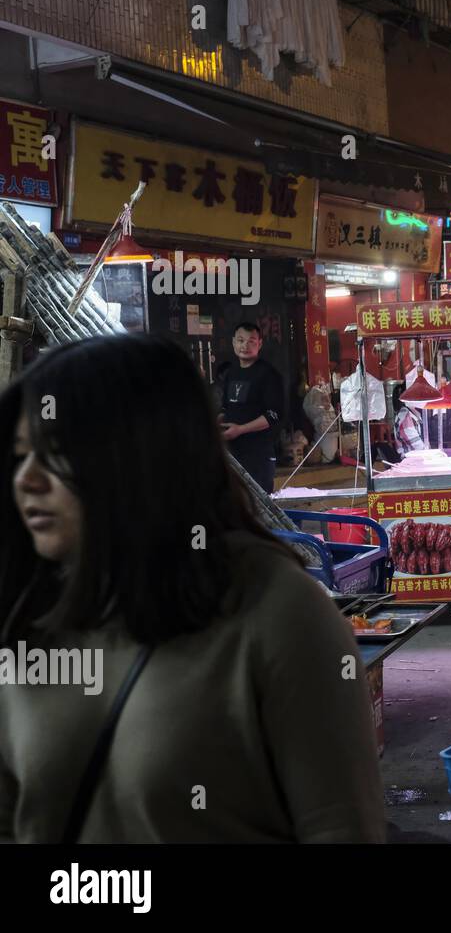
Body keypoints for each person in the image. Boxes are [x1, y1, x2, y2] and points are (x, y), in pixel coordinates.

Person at [0, 335, 385, 842]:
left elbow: (341, 829)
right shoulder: (28, 615)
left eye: (56, 454)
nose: (26, 480)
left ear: (142, 456)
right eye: (21, 456)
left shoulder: (277, 615)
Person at [216, 322, 283, 493]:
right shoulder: (231, 373)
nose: (245, 345)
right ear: (233, 343)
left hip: (258, 455)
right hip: (232, 453)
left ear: (259, 344)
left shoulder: (268, 374)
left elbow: (273, 415)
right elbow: (226, 407)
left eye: (251, 341)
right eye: (240, 340)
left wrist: (241, 429)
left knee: (258, 507)